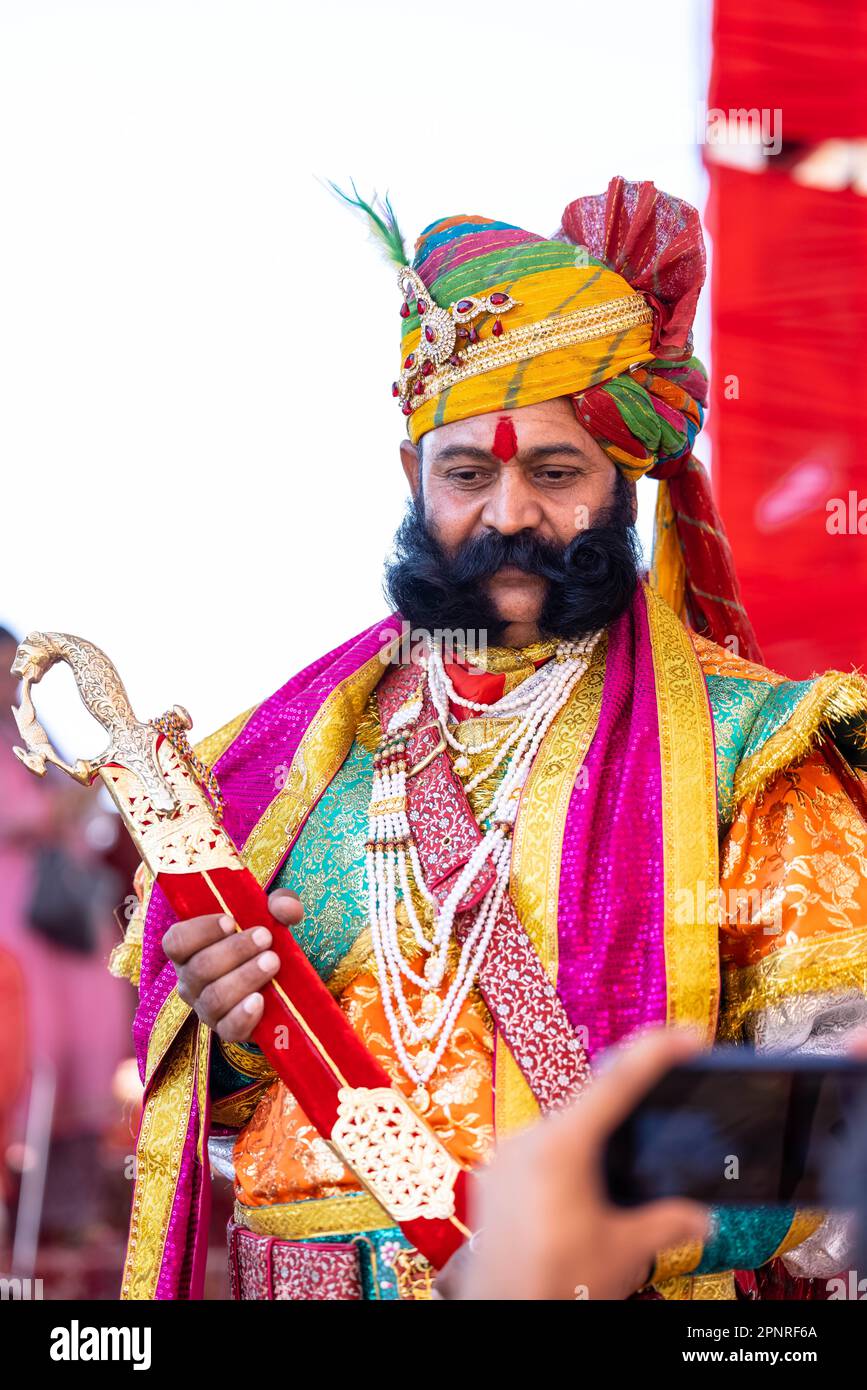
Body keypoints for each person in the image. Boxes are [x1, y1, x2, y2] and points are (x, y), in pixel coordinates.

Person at [112, 179, 867, 1301]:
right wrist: (234, 1032)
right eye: (467, 473)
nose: (508, 514)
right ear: (412, 479)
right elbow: (236, 1104)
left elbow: (837, 1103)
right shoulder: (285, 760)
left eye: (554, 473)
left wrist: (599, 1226)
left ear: (629, 482)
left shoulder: (750, 743)